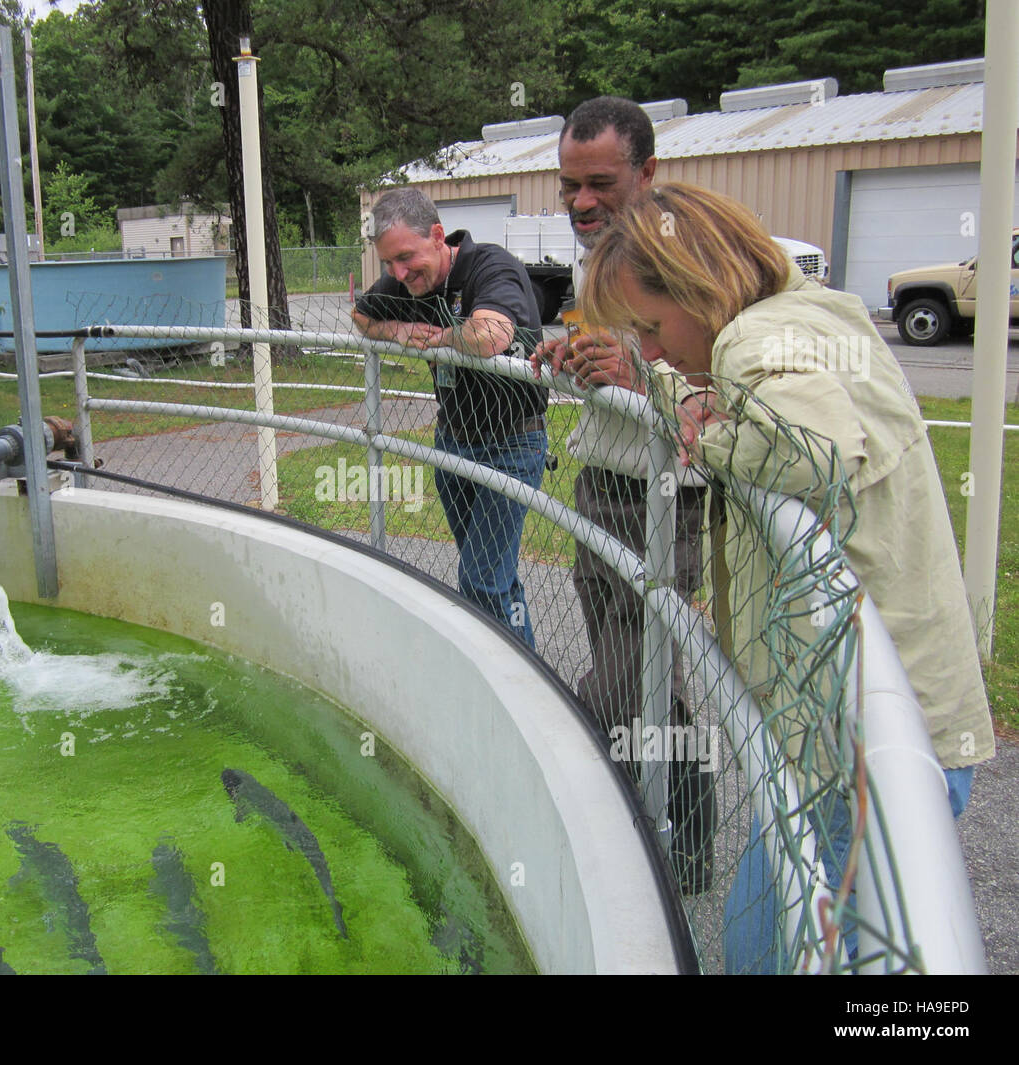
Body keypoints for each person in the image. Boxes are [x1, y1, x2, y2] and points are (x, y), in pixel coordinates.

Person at [580, 180, 997, 971]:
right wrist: (681, 397)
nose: (655, 349)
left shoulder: (755, 341)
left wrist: (708, 440)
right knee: (771, 931)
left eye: (652, 326)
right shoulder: (805, 316)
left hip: (866, 737)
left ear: (698, 286)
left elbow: (813, 448)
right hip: (870, 720)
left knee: (778, 948)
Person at [531, 97, 715, 894]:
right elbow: (599, 331)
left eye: (598, 182)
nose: (580, 202)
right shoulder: (600, 253)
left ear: (647, 172)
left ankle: (647, 838)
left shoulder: (686, 255)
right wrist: (564, 342)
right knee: (643, 685)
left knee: (619, 689)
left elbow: (712, 379)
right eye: (568, 184)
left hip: (665, 496)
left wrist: (637, 373)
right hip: (601, 484)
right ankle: (679, 844)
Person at [352, 186, 547, 649]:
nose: (398, 274)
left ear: (438, 235)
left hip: (511, 446)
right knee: (492, 574)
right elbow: (361, 315)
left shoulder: (490, 266)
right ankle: (524, 665)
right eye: (387, 264)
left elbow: (489, 337)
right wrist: (396, 328)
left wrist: (437, 339)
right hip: (453, 442)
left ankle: (511, 679)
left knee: (481, 577)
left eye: (405, 258)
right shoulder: (407, 281)